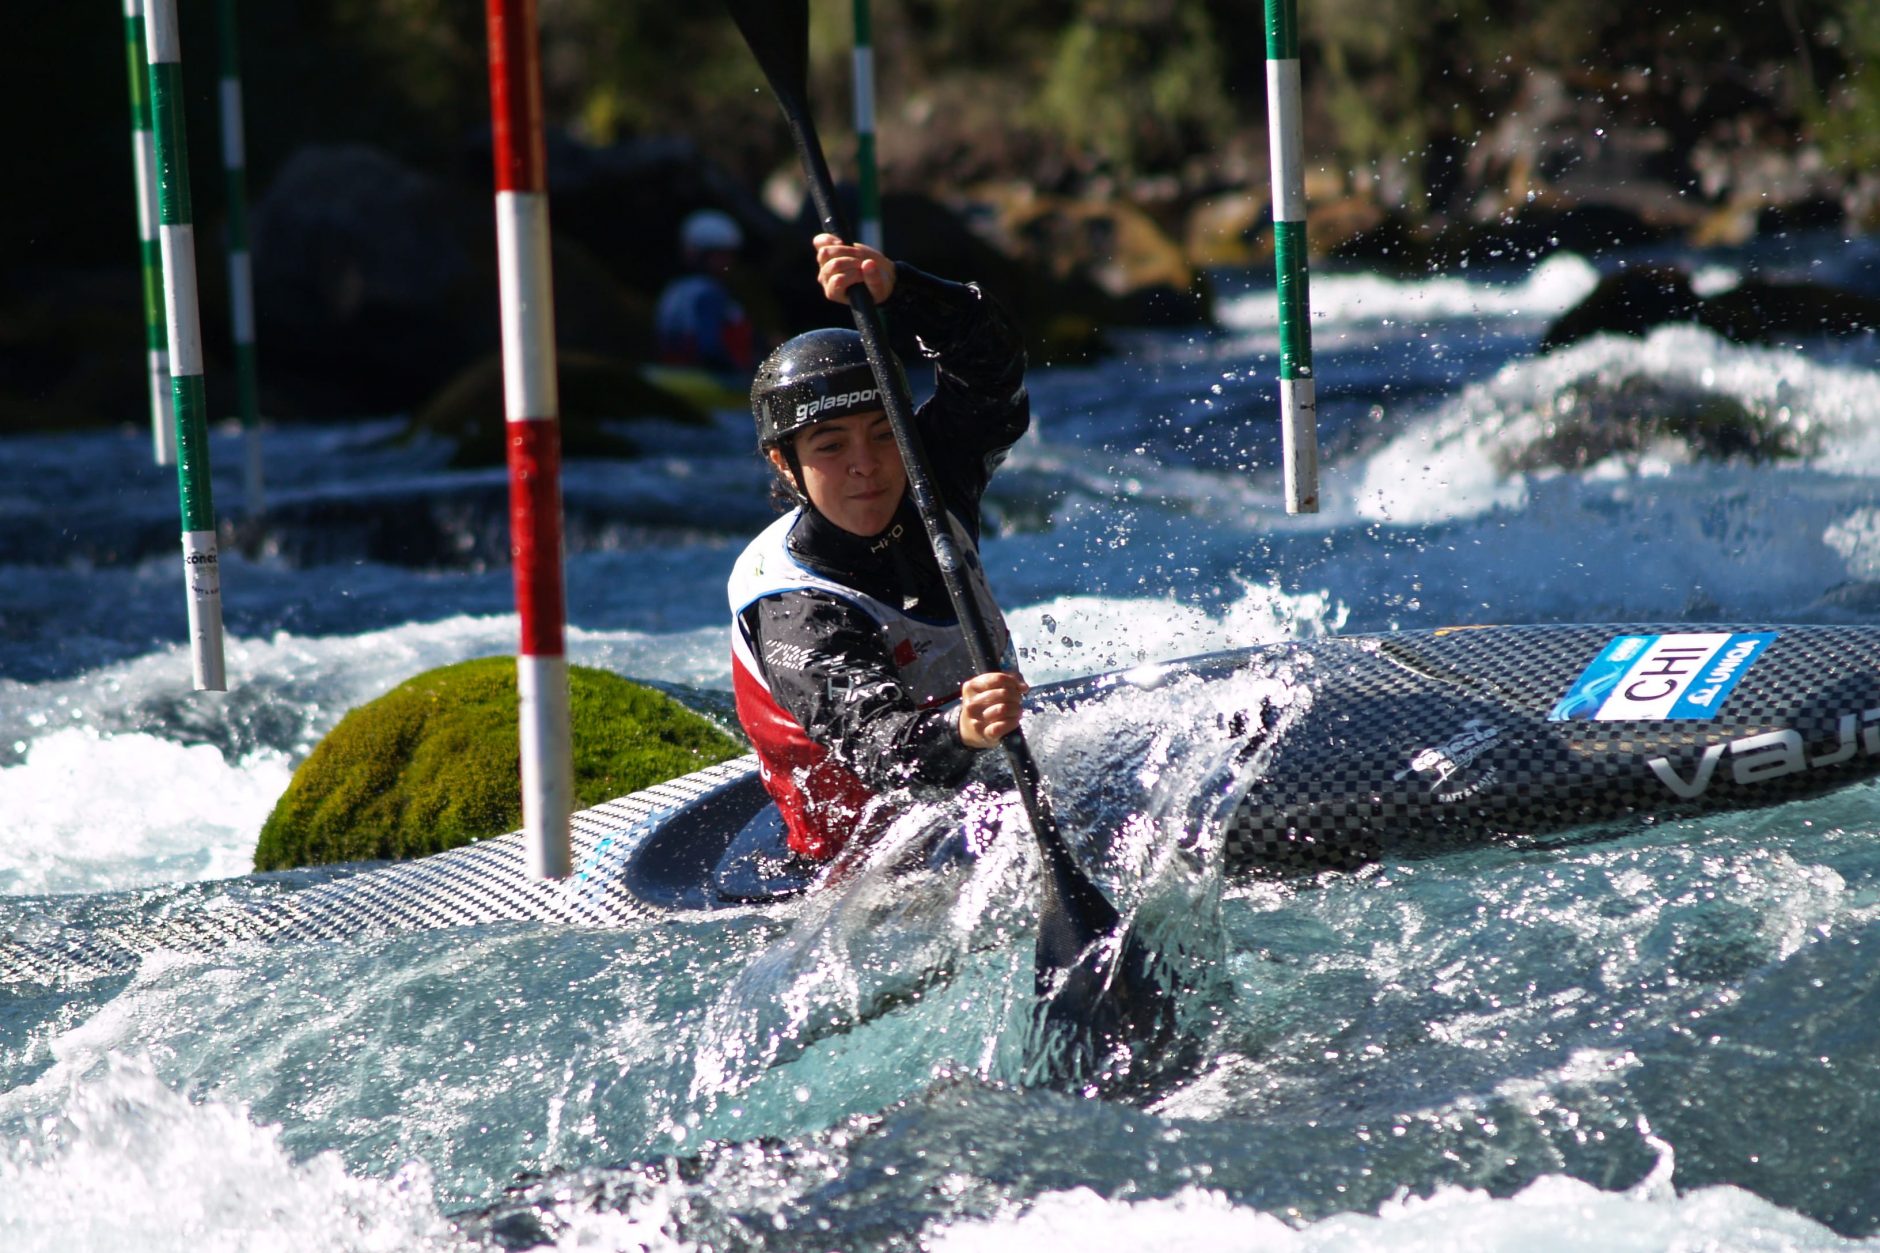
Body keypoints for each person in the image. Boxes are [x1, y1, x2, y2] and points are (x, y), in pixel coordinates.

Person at [727, 232, 1030, 863]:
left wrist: (904, 288)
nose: (867, 467)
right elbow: (885, 753)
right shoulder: (795, 606)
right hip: (868, 859)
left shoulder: (931, 472)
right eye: (831, 447)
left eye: (881, 434)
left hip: (983, 793)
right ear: (786, 465)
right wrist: (964, 730)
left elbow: (993, 369)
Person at [654, 209, 759, 374]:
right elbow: (709, 348)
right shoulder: (708, 293)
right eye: (721, 255)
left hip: (677, 374)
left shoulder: (675, 289)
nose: (728, 262)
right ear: (701, 255)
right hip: (709, 381)